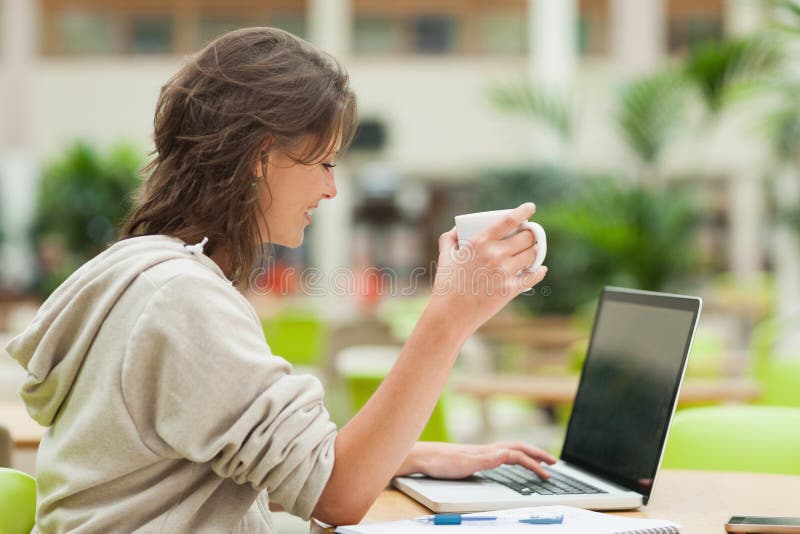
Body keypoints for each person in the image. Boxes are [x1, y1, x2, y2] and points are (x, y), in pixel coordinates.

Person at [5, 27, 551, 533]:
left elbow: (207, 480)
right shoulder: (178, 299)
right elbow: (337, 497)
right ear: (263, 155)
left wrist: (402, 456)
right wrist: (451, 315)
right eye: (325, 163)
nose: (332, 189)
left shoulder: (150, 277)